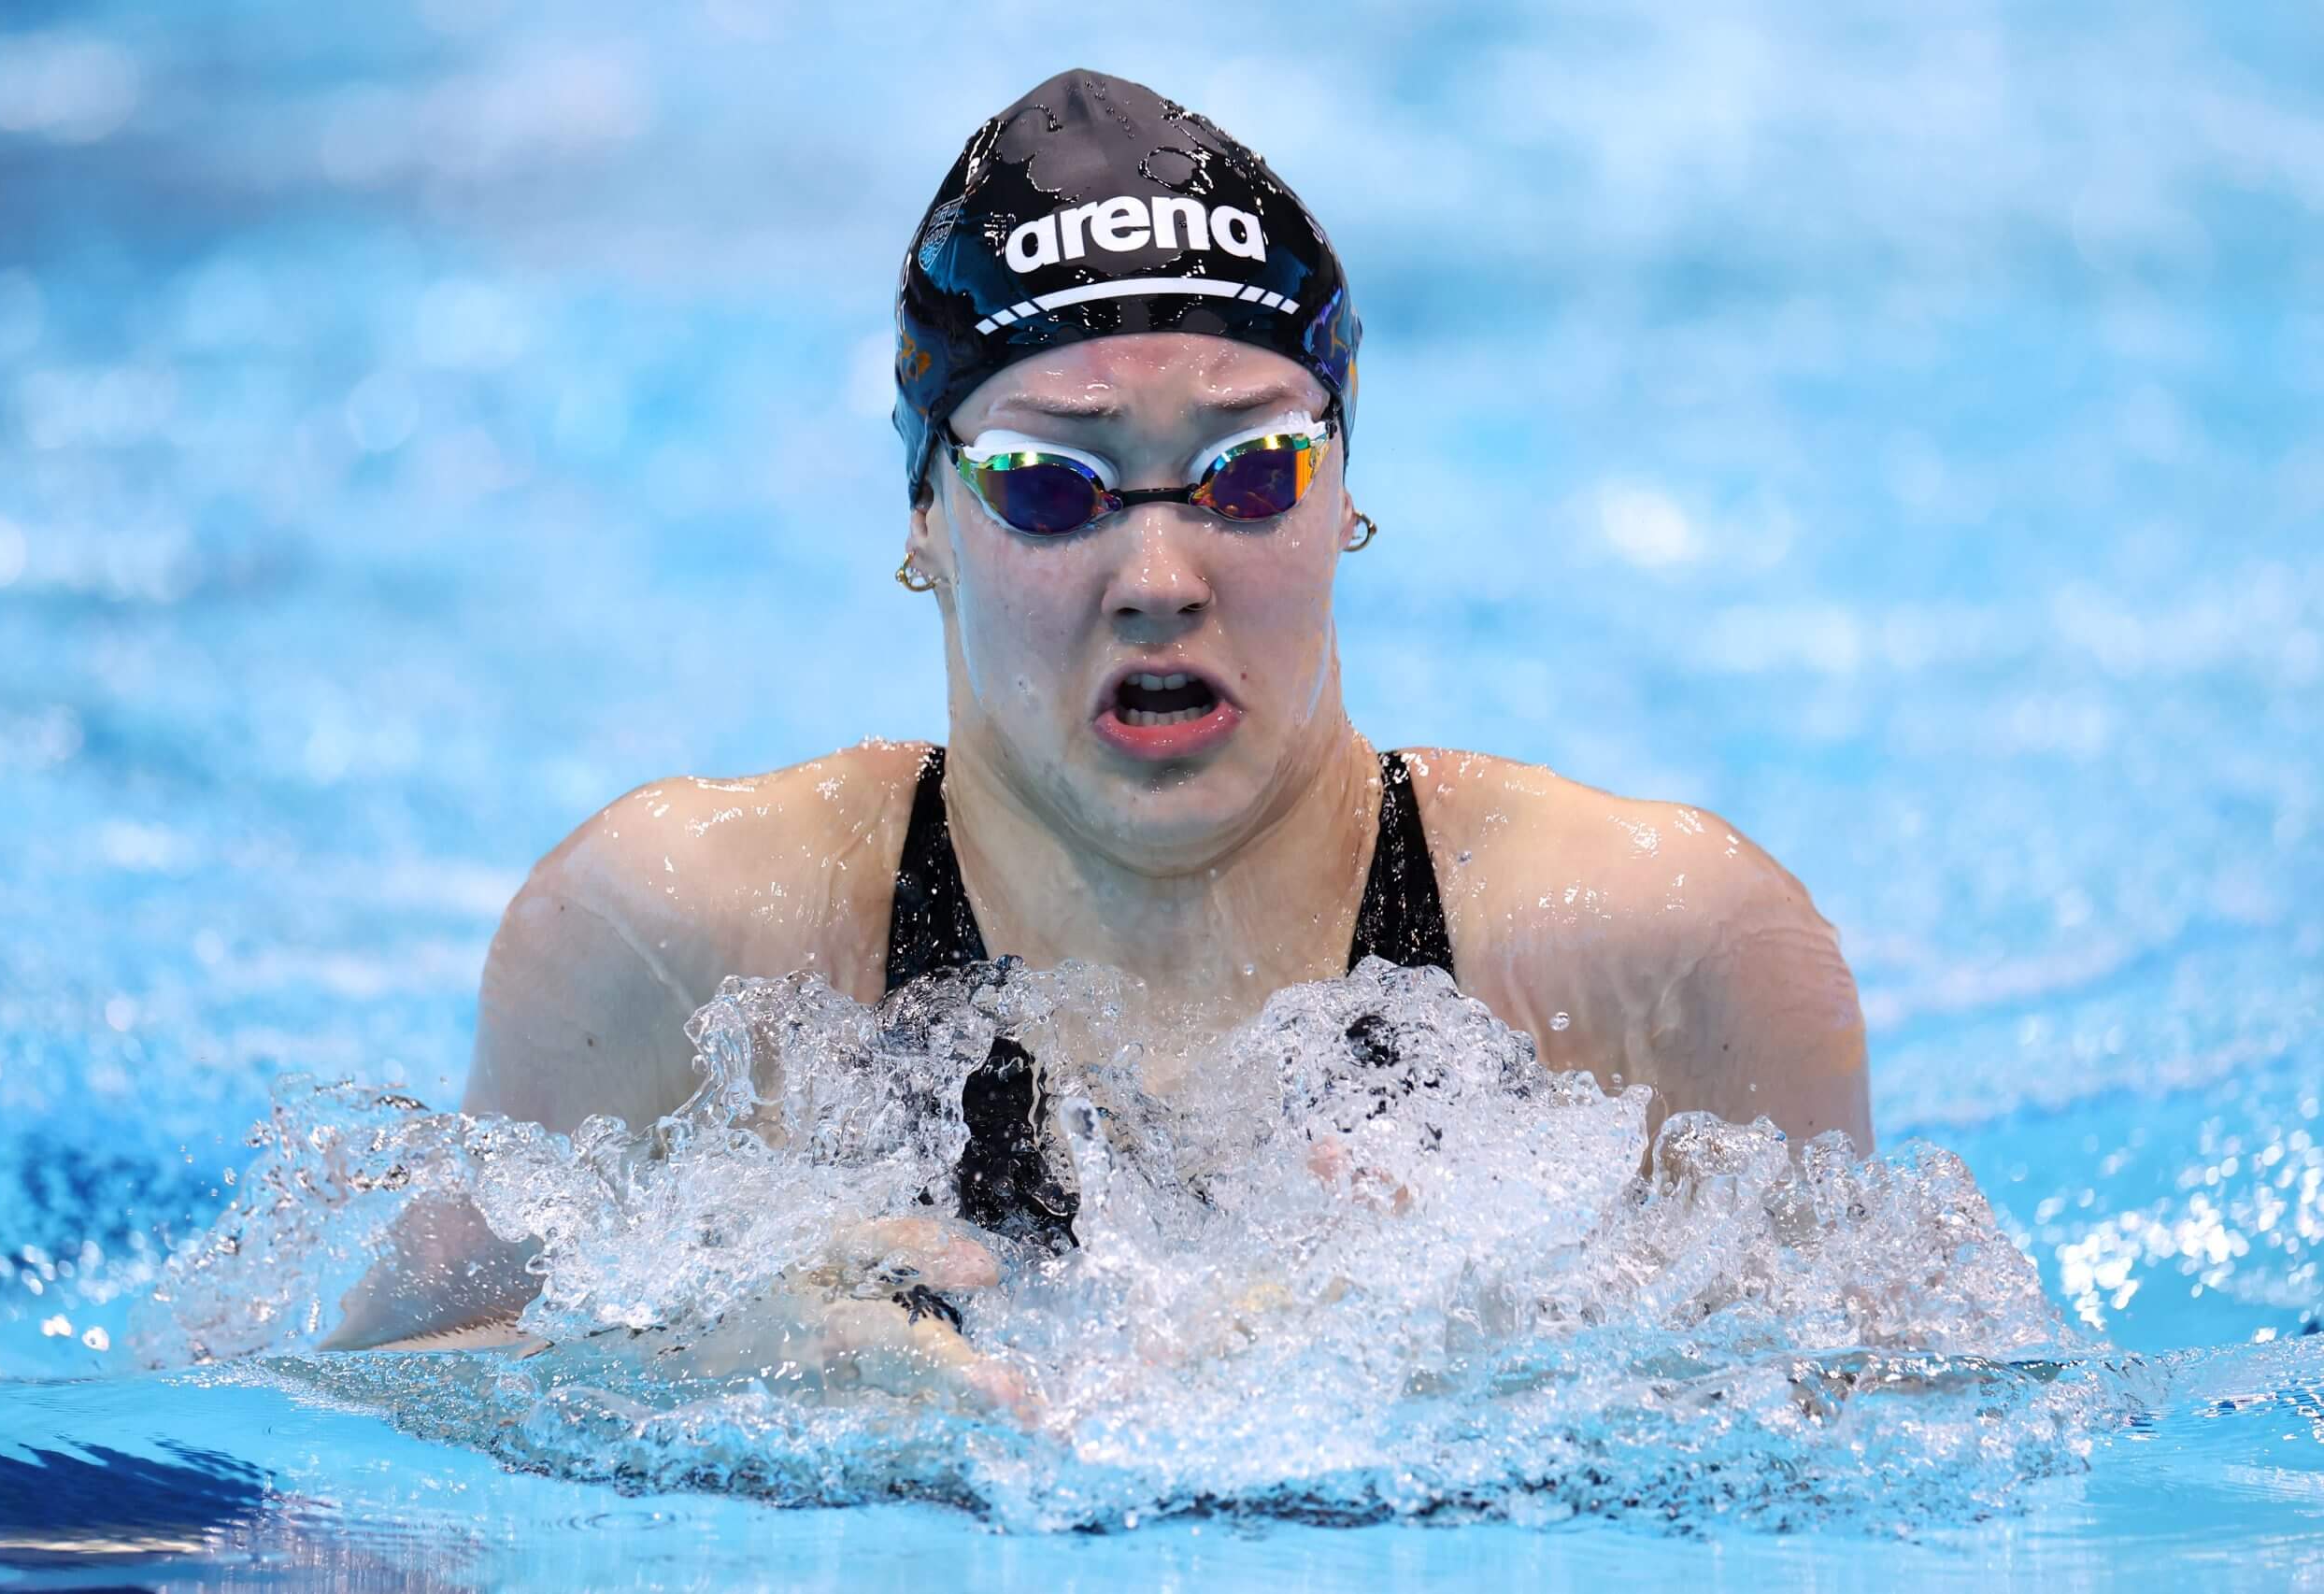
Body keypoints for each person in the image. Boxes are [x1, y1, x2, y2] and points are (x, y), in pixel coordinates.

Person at [329, 70, 1870, 1399]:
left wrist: (1500, 1350)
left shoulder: (1667, 952)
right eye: (1052, 487)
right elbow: (346, 1438)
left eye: (1249, 473)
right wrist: (691, 1369)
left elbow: (1895, 1457)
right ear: (925, 513)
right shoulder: (674, 939)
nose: (1158, 578)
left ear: (1346, 490)